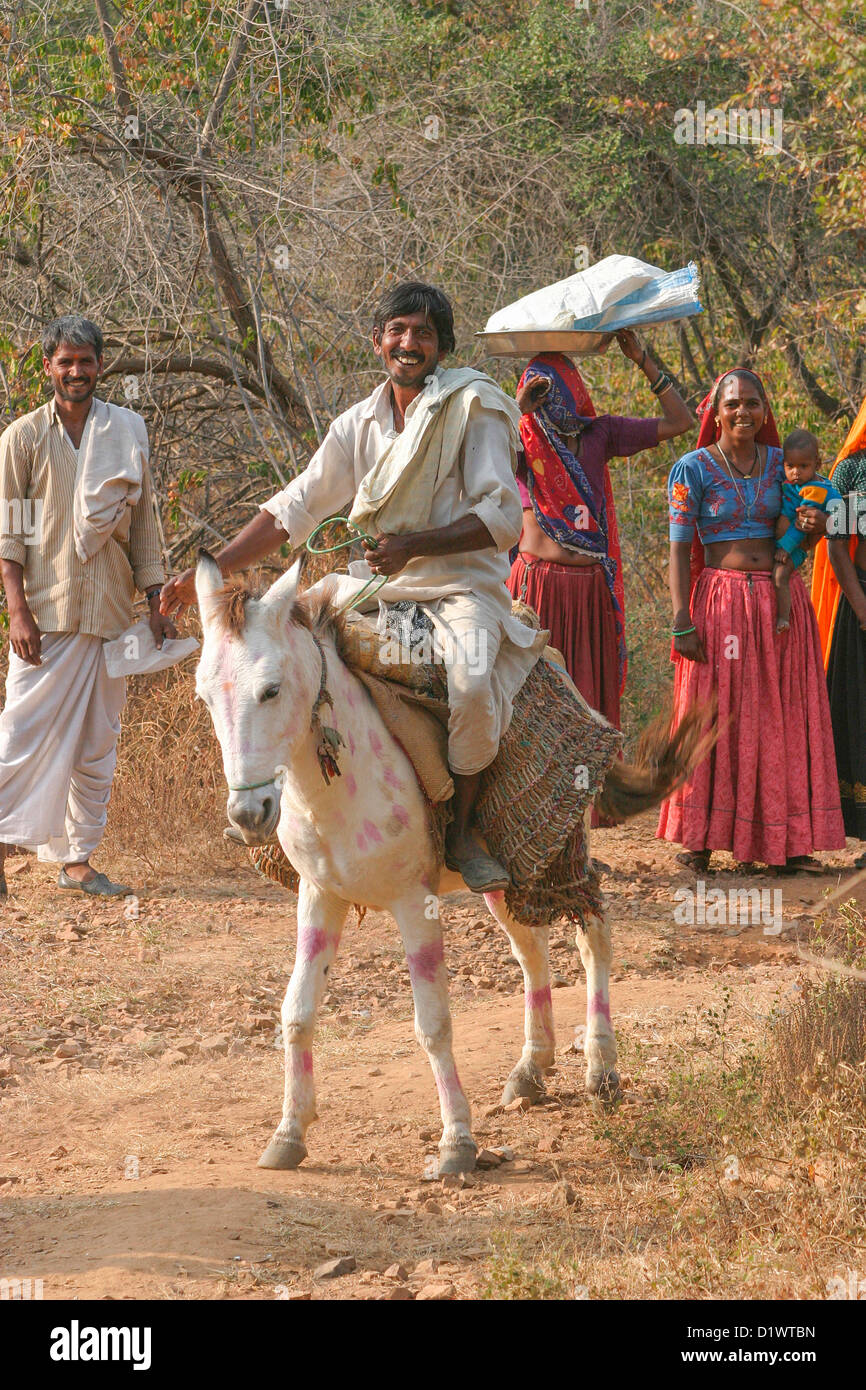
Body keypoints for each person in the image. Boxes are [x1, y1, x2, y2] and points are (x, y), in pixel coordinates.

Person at [161, 281, 547, 893]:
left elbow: (503, 519)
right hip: (374, 592)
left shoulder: (475, 406)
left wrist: (413, 545)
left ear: (442, 345)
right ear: (378, 342)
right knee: (277, 653)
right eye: (397, 330)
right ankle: (280, 804)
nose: (409, 342)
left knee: (472, 685)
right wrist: (214, 569)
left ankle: (463, 830)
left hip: (459, 591)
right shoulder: (357, 423)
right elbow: (296, 507)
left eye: (423, 332)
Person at [0, 315, 173, 898]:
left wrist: (156, 599)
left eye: (86, 361)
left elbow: (146, 522)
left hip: (111, 612)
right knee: (21, 736)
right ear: (47, 365)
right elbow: (10, 534)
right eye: (65, 362)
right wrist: (16, 612)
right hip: (44, 619)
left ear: (101, 365)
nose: (76, 372)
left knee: (99, 741)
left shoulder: (126, 430)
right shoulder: (22, 439)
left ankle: (78, 862)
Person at [658, 368, 845, 874]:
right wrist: (681, 618)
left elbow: (825, 524)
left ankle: (789, 843)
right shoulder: (691, 469)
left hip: (781, 605)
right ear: (715, 412)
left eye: (753, 403)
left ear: (766, 412)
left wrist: (819, 524)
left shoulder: (788, 464)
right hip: (720, 602)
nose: (743, 412)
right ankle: (699, 838)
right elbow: (679, 550)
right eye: (733, 404)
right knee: (713, 713)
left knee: (782, 716)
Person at [508, 332, 693, 729]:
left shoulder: (599, 434)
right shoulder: (521, 437)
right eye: (540, 388)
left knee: (586, 710)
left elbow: (681, 421)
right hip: (536, 591)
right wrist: (517, 409)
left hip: (588, 593)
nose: (552, 397)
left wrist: (643, 360)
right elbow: (480, 455)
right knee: (529, 708)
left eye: (558, 386)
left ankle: (590, 791)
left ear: (576, 388)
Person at [811, 396, 866, 864]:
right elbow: (836, 545)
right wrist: (862, 606)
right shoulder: (852, 471)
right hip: (862, 601)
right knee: (859, 711)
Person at [772, 429, 842, 631]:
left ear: (817, 465)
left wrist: (785, 548)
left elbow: (802, 524)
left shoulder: (814, 489)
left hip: (794, 546)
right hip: (785, 545)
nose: (796, 472)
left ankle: (784, 619)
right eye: (790, 466)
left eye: (803, 466)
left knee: (779, 576)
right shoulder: (796, 483)